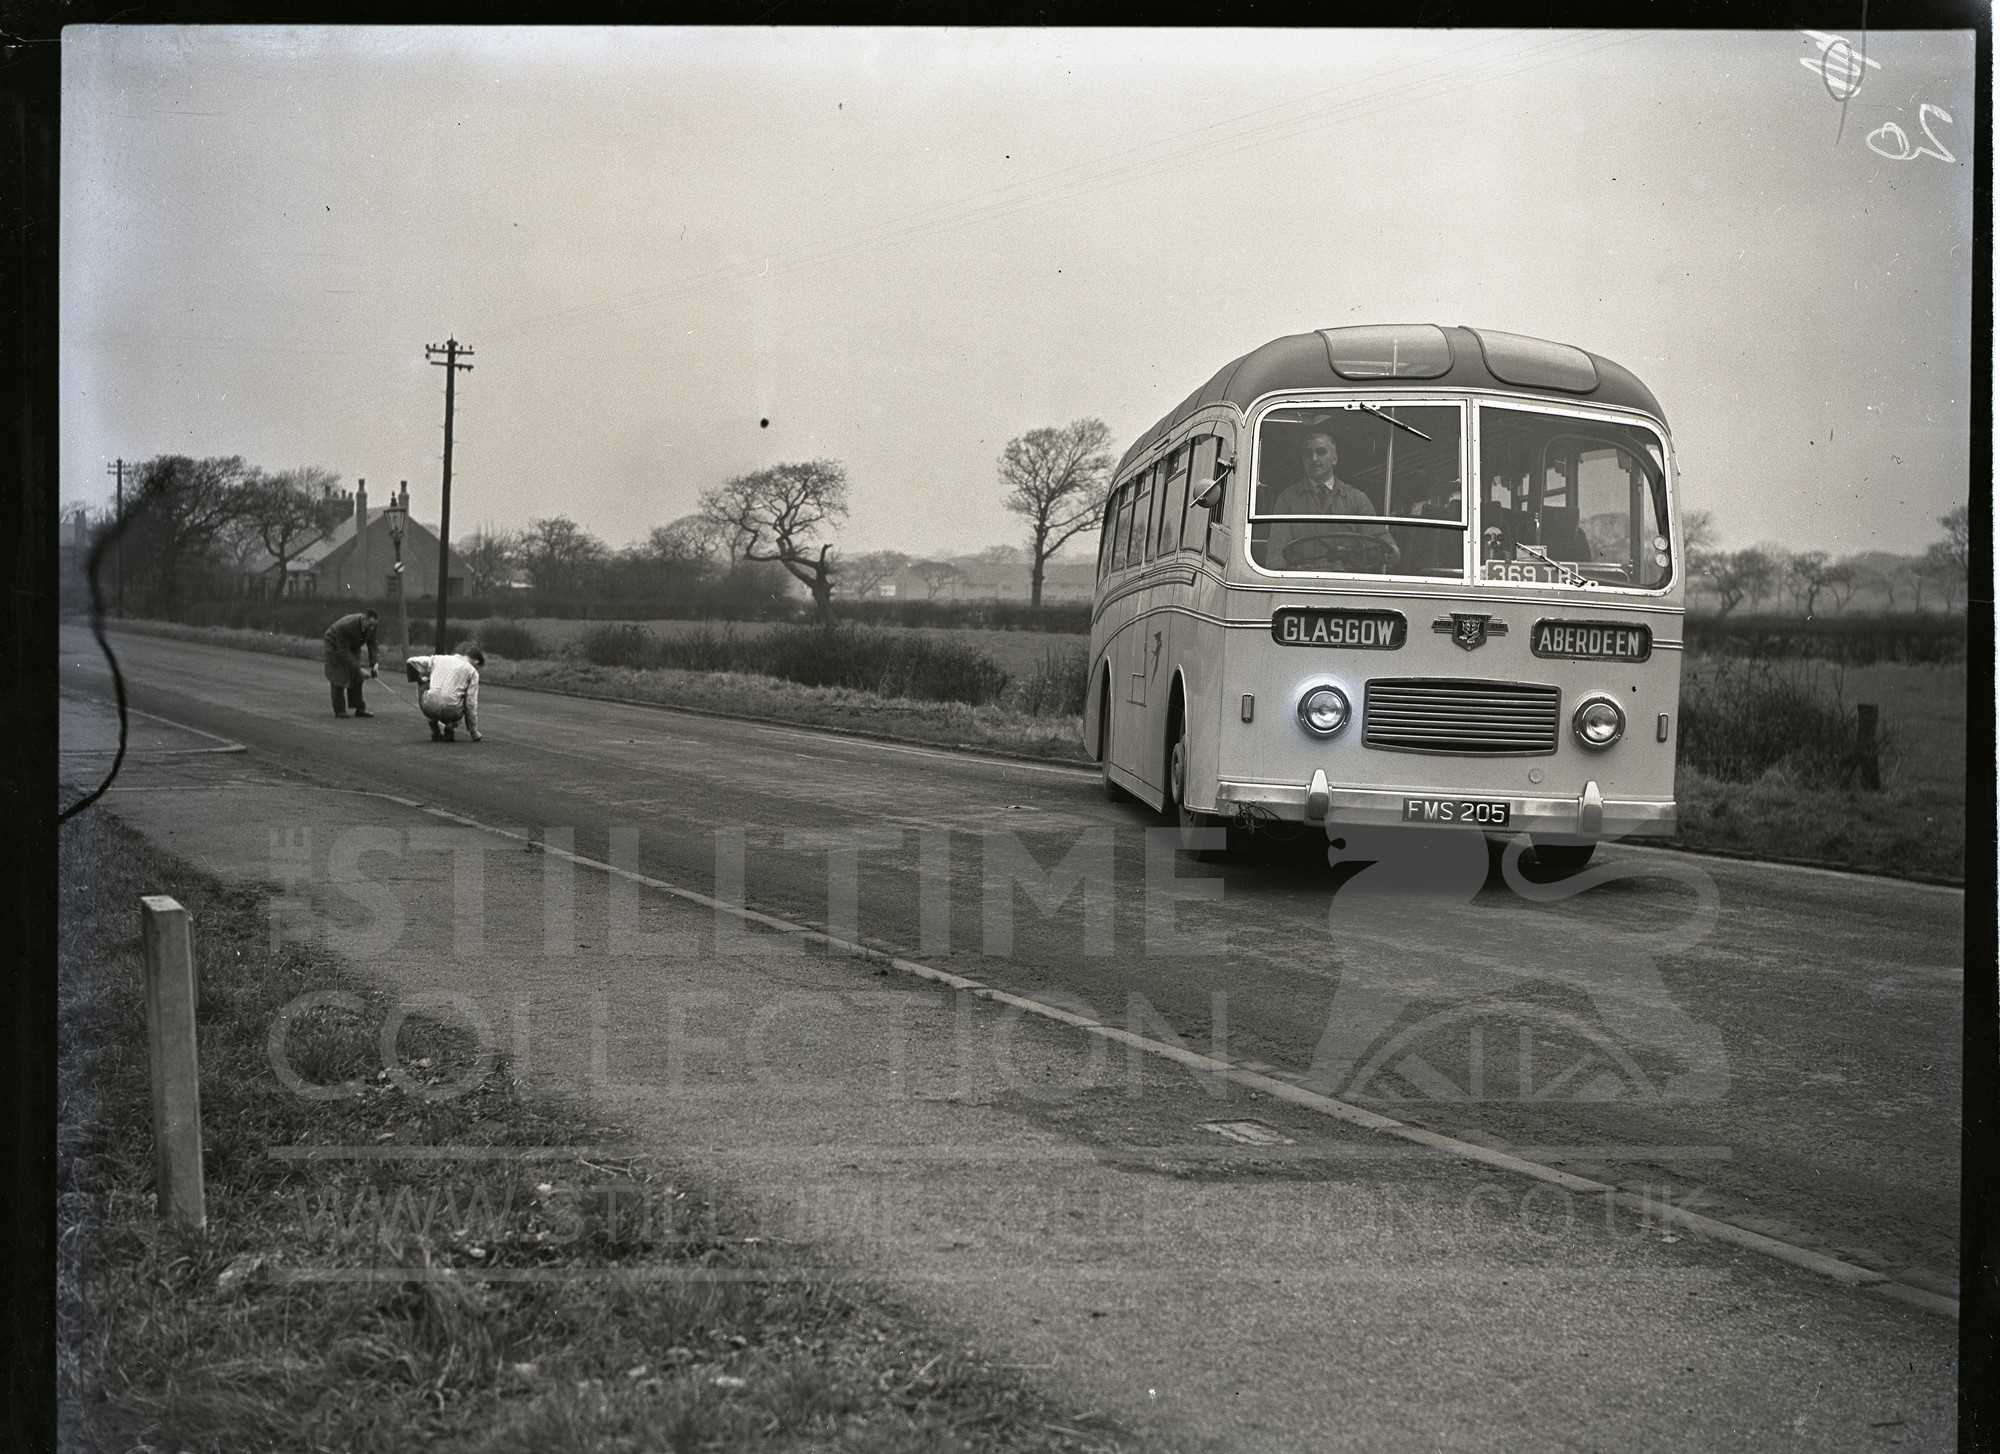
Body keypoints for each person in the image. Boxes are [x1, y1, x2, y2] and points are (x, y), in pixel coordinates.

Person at [1263, 425, 1399, 570]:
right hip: (1302, 580)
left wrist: (1390, 548)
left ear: (1334, 458)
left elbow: (1377, 537)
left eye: (1321, 452)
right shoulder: (1287, 500)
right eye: (1308, 454)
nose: (1314, 459)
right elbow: (1276, 553)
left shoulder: (1357, 499)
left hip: (1344, 580)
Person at [404, 646, 484, 742]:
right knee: (464, 696)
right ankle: (450, 726)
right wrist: (473, 731)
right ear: (476, 662)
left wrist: (417, 680)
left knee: (424, 683)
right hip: (452, 711)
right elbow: (471, 703)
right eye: (478, 668)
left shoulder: (438, 659)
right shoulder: (472, 671)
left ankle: (434, 728)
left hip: (429, 707)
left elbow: (410, 661)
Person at [322, 608, 380, 718]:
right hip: (334, 644)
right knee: (339, 675)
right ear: (364, 619)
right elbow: (343, 651)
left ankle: (359, 708)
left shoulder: (372, 626)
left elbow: (372, 643)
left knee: (357, 676)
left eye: (374, 625)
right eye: (370, 625)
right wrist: (359, 668)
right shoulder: (346, 626)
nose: (372, 628)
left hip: (353, 645)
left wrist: (374, 664)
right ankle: (339, 710)